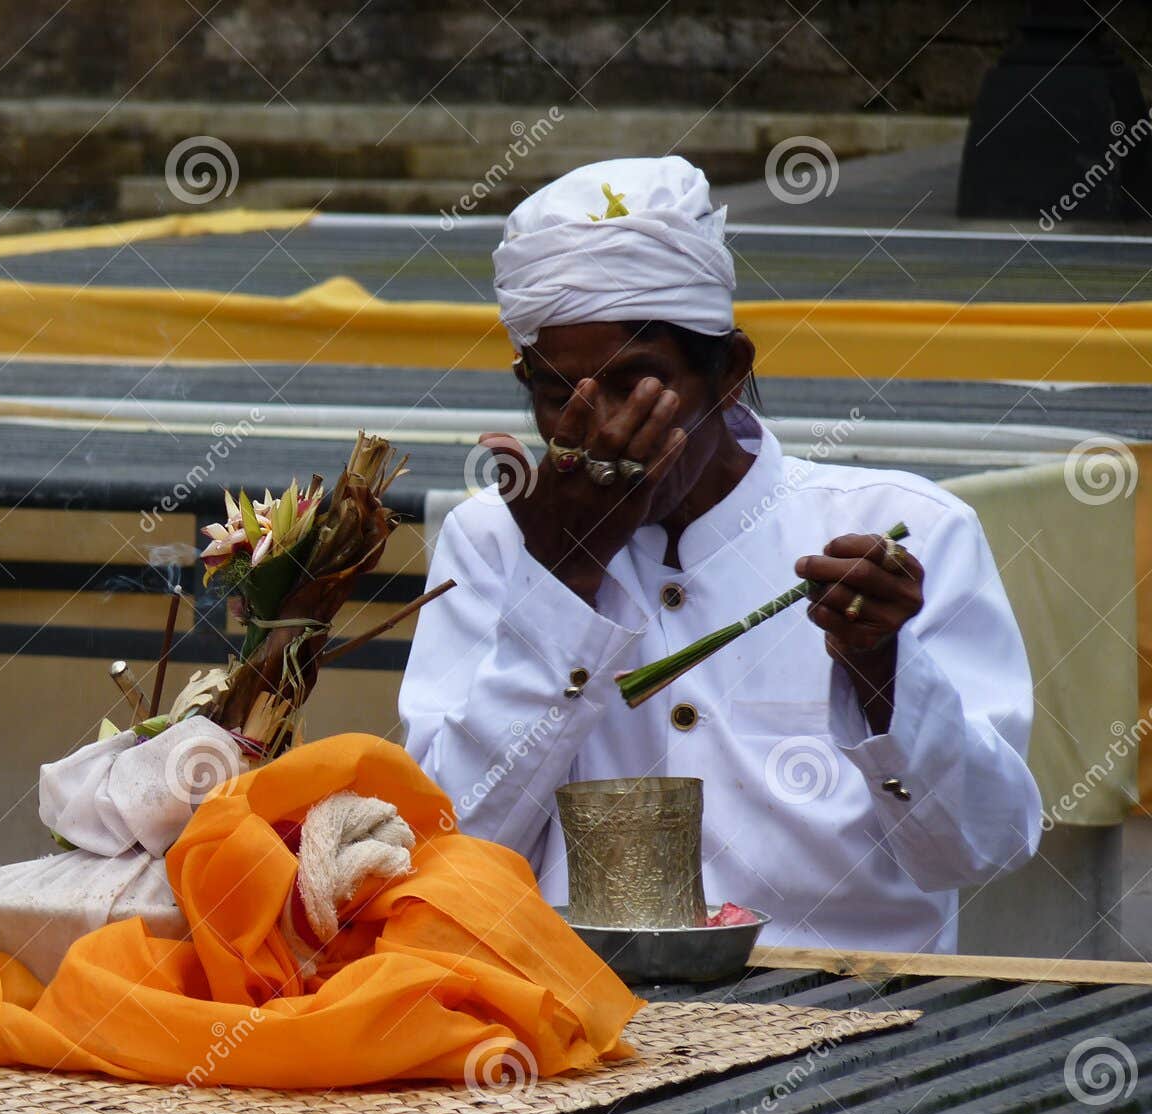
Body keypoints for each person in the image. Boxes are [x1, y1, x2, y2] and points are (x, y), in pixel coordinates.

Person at [400, 156, 1041, 954]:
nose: (597, 427)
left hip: (849, 1017)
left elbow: (980, 848)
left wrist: (882, 673)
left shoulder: (904, 529)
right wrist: (567, 580)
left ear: (728, 372)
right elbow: (445, 843)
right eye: (559, 393)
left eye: (638, 383)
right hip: (583, 1024)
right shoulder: (495, 542)